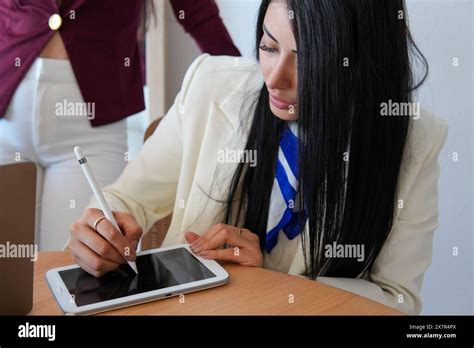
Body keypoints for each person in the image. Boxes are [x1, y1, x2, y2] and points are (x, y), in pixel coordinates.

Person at [68, 0, 448, 314]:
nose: (274, 78)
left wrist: (274, 282)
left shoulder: (414, 140)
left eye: (307, 61)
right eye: (268, 46)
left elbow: (397, 301)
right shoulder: (210, 84)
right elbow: (127, 201)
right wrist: (101, 228)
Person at [0, 0, 240, 251]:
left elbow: (197, 12)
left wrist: (245, 84)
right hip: (6, 115)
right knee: (7, 265)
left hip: (93, 131)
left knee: (81, 258)